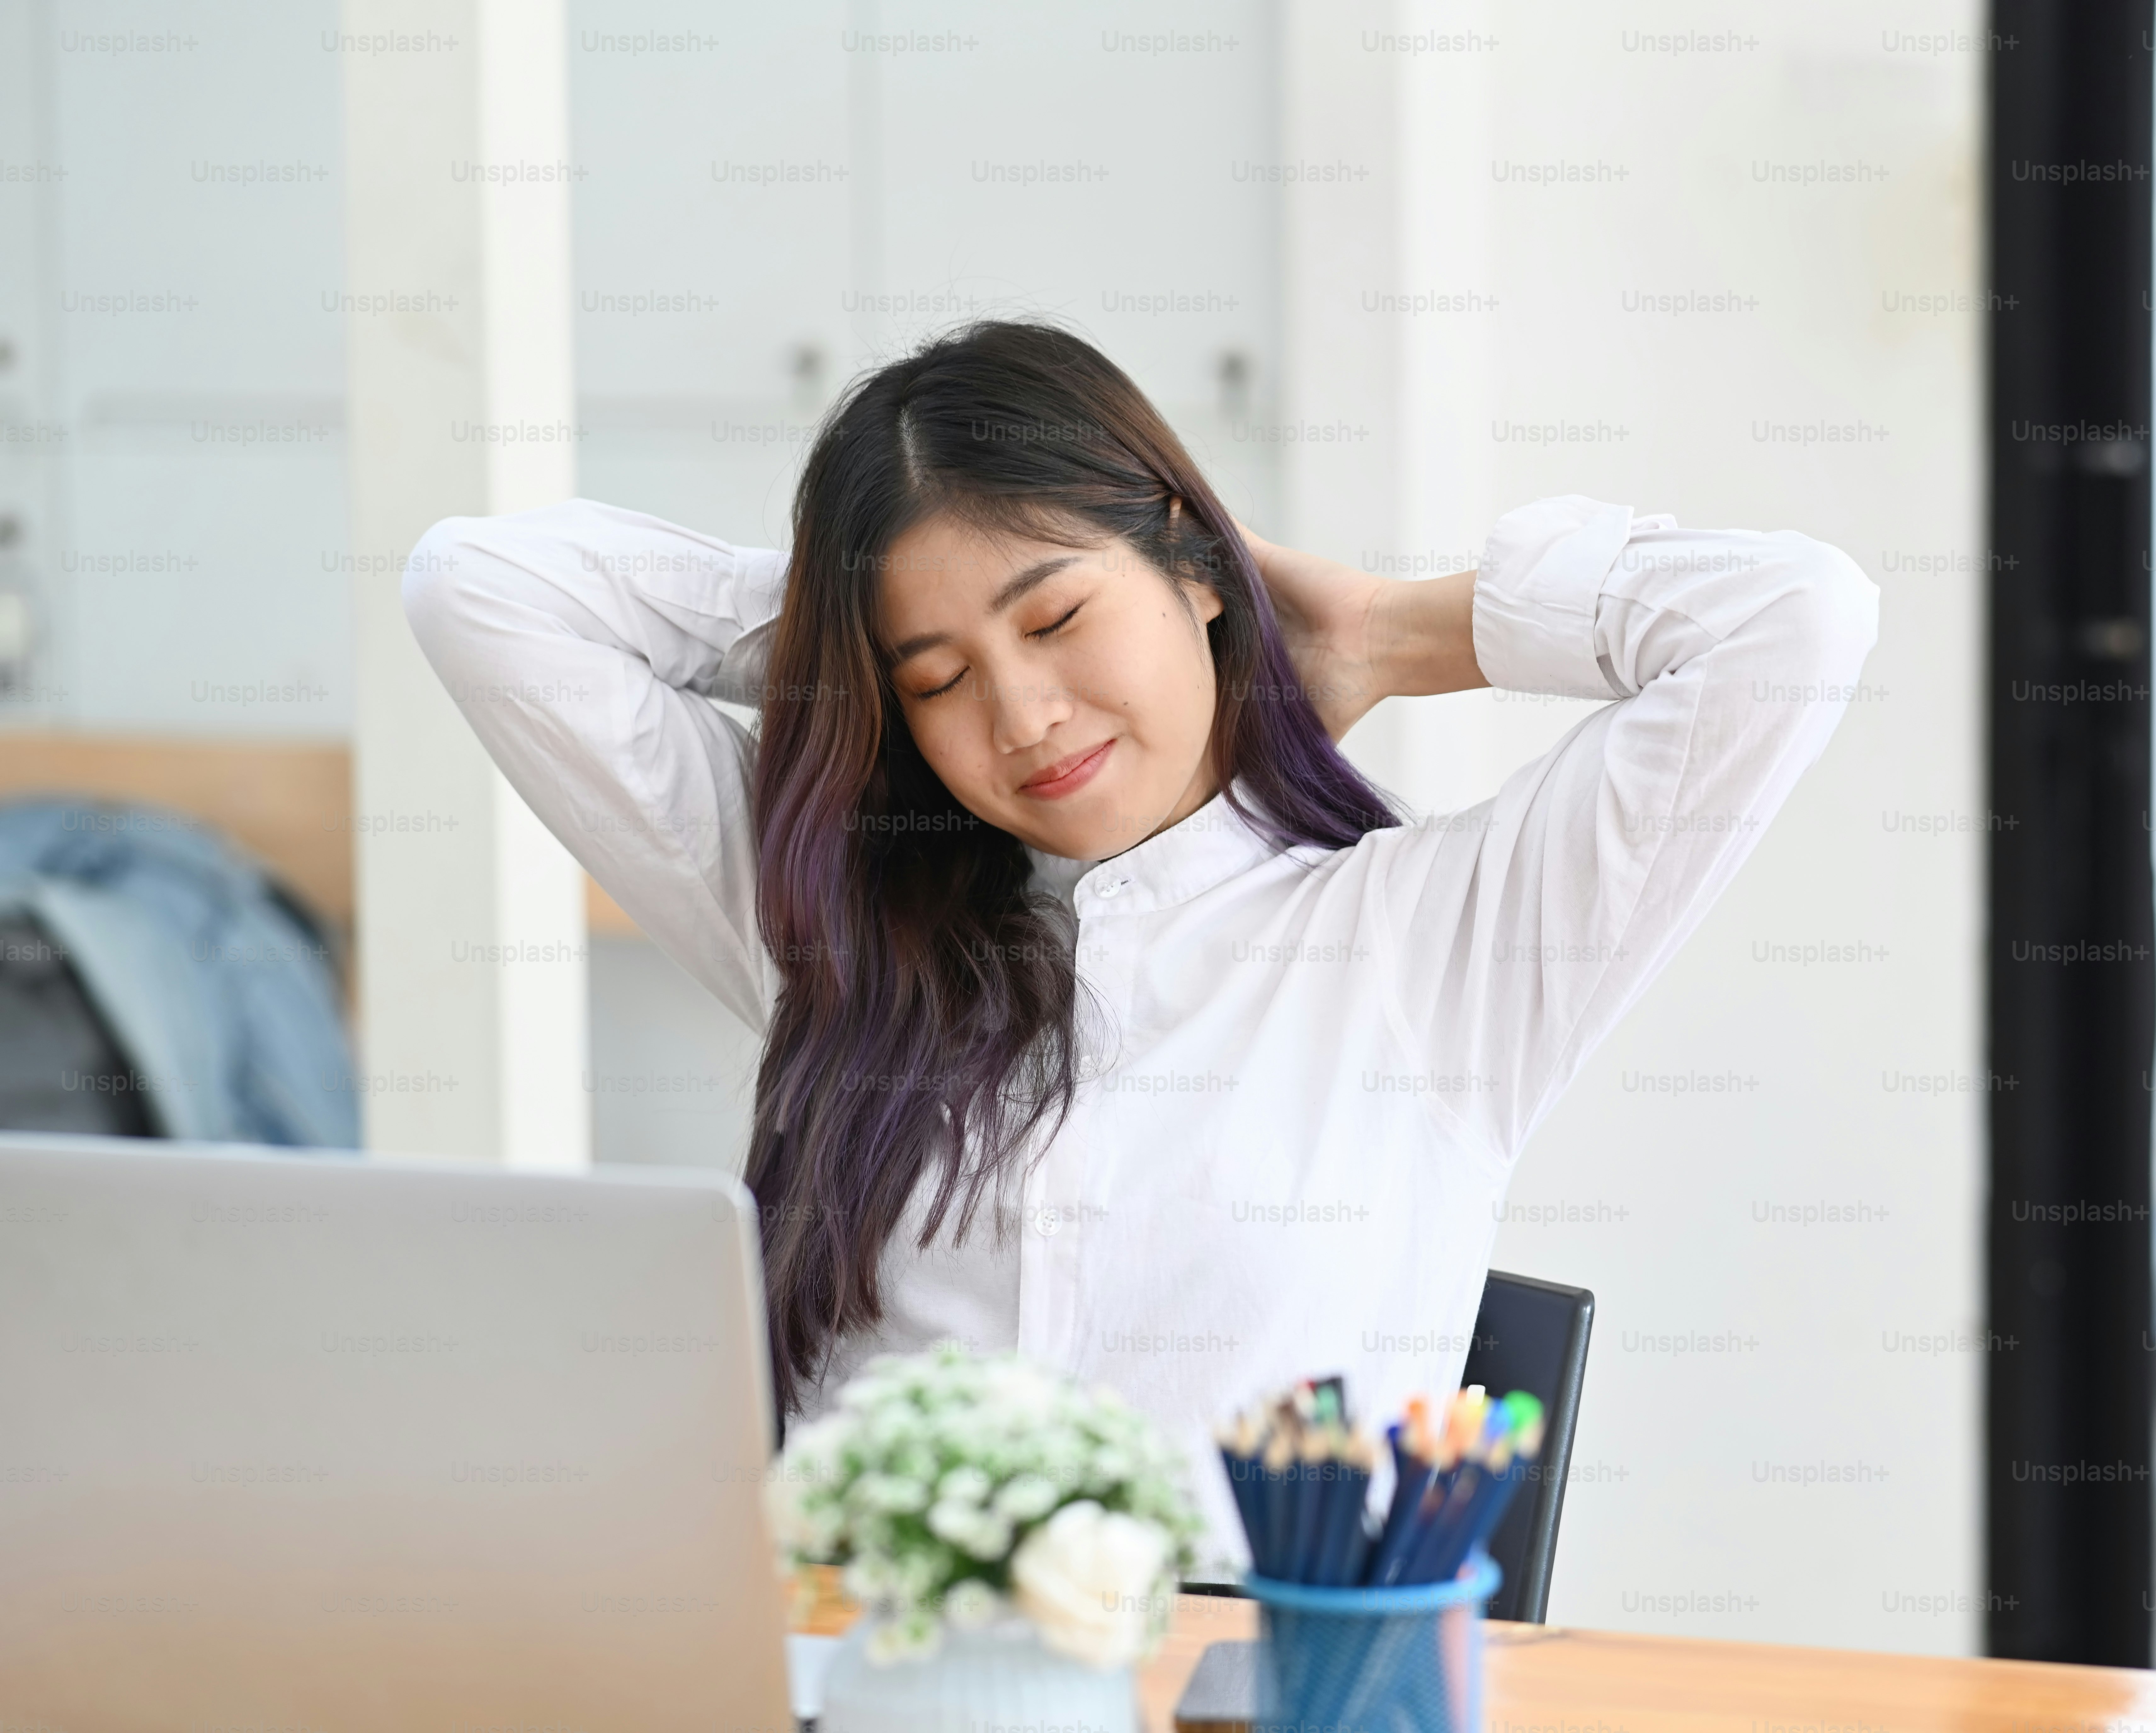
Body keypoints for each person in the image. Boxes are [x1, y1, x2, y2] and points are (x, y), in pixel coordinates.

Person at [403, 320, 1879, 1564]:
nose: (1024, 714)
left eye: (1055, 616)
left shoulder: (1429, 947)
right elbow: (481, 592)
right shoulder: (845, 931)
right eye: (936, 678)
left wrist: (1388, 626)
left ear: (1196, 562)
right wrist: (847, 631)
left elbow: (1792, 622)